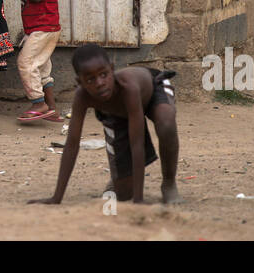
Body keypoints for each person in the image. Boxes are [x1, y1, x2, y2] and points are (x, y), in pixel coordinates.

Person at [30, 44, 179, 206]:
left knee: (166, 122)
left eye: (104, 74)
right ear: (80, 82)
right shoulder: (82, 97)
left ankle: (169, 183)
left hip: (154, 87)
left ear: (112, 70)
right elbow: (72, 144)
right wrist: (56, 198)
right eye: (90, 79)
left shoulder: (128, 88)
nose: (100, 83)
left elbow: (137, 143)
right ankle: (119, 179)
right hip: (118, 112)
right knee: (122, 194)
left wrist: (139, 199)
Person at [5, 0, 64, 123]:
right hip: (41, 28)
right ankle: (52, 109)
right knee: (41, 69)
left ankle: (38, 103)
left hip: (44, 29)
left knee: (25, 62)